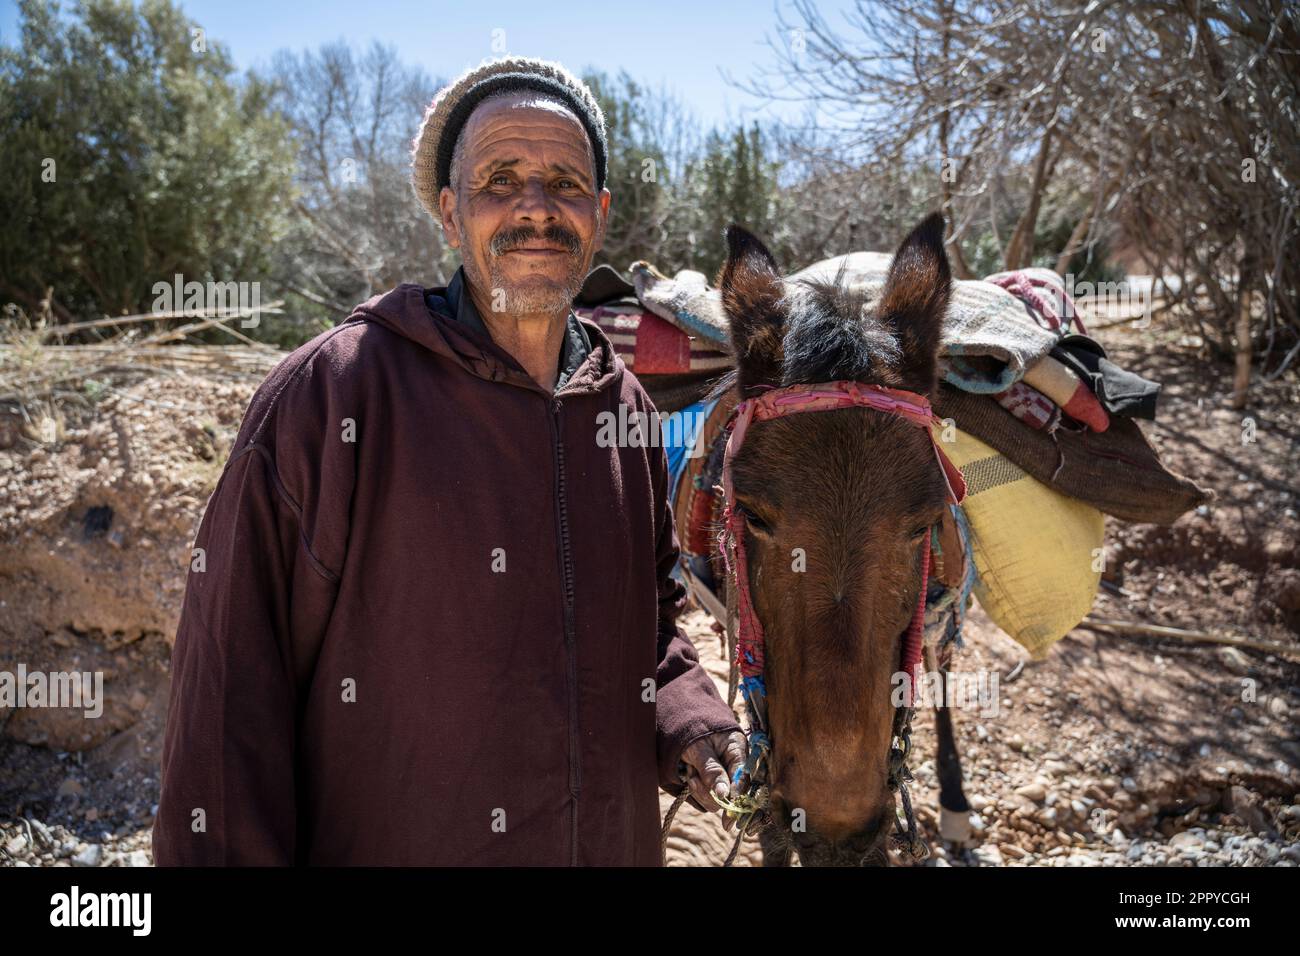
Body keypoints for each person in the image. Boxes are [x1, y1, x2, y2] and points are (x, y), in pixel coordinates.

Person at [152, 57, 745, 866]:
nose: (536, 208)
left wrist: (691, 720)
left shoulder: (626, 410)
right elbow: (228, 697)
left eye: (565, 183)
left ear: (599, 213)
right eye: (500, 179)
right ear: (448, 210)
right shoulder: (336, 394)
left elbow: (645, 624)